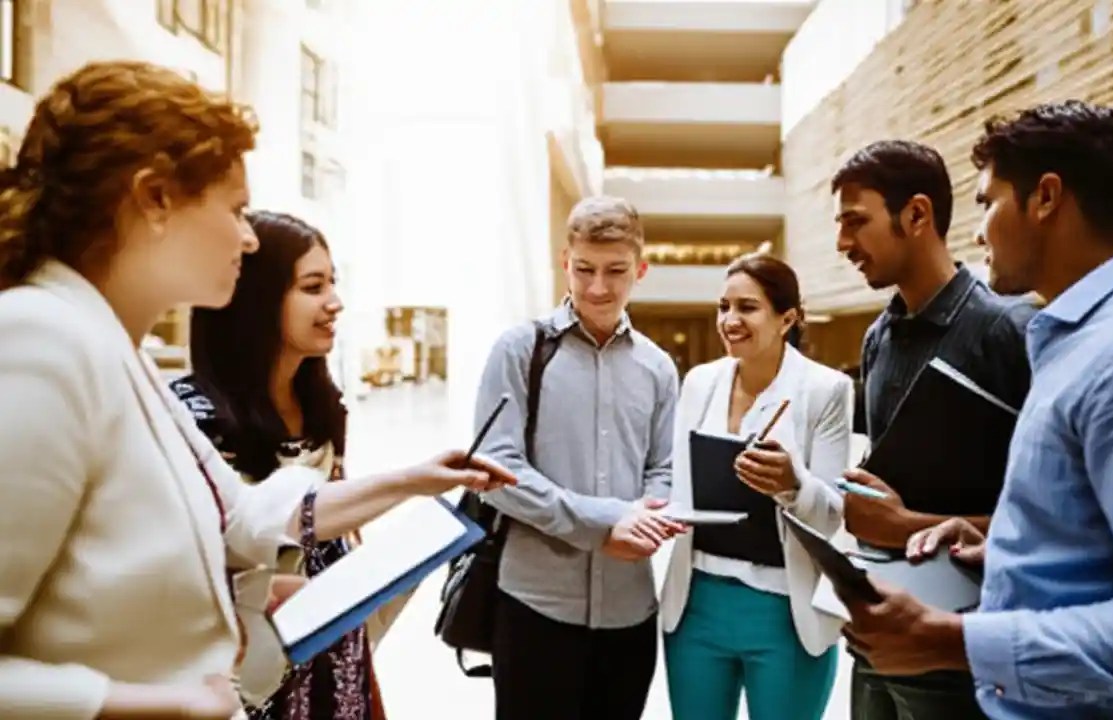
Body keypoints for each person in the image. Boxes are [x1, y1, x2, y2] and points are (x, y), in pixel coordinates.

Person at [0, 61, 514, 720]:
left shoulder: (114, 355)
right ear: (154, 198)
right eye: (235, 209)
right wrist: (156, 705)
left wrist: (415, 480)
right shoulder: (43, 341)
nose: (247, 236)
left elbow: (239, 521)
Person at [844, 100, 1113, 719]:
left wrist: (952, 640)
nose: (977, 231)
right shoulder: (1078, 342)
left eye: (987, 203)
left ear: (1045, 199)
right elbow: (1106, 550)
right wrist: (1016, 549)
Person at [831, 139, 1035, 719]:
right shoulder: (877, 338)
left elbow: (1055, 517)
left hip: (962, 644)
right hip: (876, 633)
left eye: (856, 222)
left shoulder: (1011, 332)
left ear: (916, 215)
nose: (843, 243)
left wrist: (904, 527)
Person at [173, 211, 404, 719]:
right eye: (312, 286)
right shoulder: (192, 418)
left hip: (336, 655)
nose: (334, 303)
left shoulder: (325, 409)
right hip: (252, 673)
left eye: (333, 284)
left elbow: (341, 542)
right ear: (258, 300)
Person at [474, 195, 686, 720]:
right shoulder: (519, 350)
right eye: (584, 269)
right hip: (534, 608)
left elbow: (666, 469)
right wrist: (606, 521)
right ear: (565, 262)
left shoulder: (658, 369)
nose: (597, 287)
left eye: (615, 271)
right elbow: (496, 469)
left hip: (629, 616)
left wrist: (645, 519)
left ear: (640, 269)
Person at [660, 253, 849, 720]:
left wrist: (792, 484)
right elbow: (678, 488)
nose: (729, 320)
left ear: (788, 319)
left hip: (786, 611)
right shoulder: (700, 382)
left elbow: (832, 514)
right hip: (697, 603)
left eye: (747, 307)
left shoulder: (826, 390)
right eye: (723, 306)